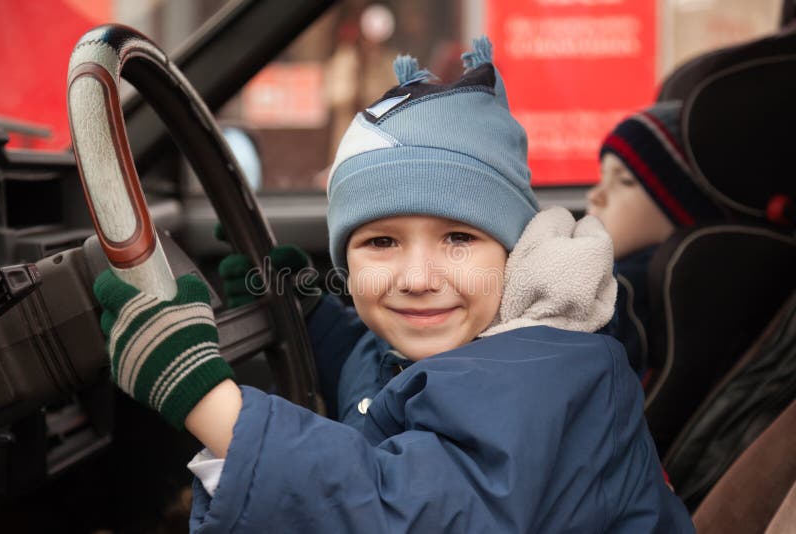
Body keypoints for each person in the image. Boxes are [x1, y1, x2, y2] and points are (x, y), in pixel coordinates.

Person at [93, 37, 694, 532]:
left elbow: (404, 514)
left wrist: (208, 400)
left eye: (459, 238)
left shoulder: (551, 371)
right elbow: (382, 376)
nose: (416, 278)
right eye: (380, 242)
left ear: (513, 252)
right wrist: (310, 320)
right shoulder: (456, 339)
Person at [587, 101, 725, 379]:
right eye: (602, 178)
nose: (595, 195)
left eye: (624, 181)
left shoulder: (624, 287)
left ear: (680, 205)